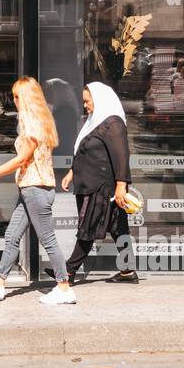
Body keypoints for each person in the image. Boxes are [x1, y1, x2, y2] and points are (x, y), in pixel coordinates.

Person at [0, 76, 75, 306]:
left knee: (47, 239)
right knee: (12, 236)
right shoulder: (41, 120)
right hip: (32, 188)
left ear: (25, 98)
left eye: (17, 96)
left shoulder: (32, 124)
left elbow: (21, 159)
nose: (13, 100)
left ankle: (64, 287)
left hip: (36, 189)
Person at [60, 81, 138, 284]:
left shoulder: (113, 123)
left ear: (100, 99)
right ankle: (128, 271)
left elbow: (122, 155)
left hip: (101, 187)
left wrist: (121, 185)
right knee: (118, 228)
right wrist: (72, 172)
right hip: (94, 183)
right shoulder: (96, 121)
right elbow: (86, 150)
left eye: (87, 101)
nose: (85, 105)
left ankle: (68, 272)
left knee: (88, 226)